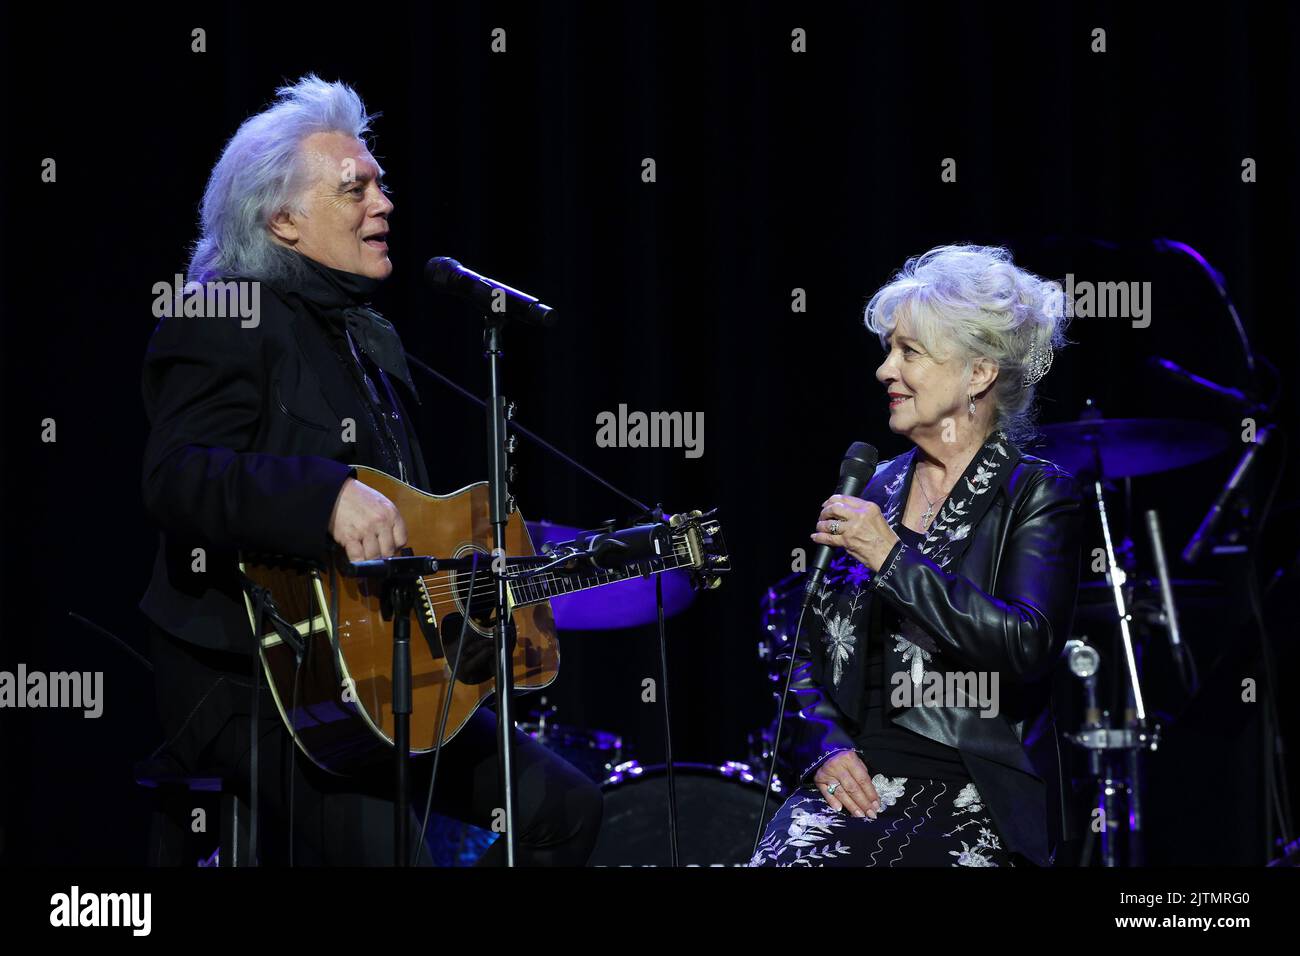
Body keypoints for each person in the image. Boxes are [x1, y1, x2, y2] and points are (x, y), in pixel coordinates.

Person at [139, 74, 602, 866]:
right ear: (282, 220)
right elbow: (178, 476)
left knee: (566, 810)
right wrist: (322, 498)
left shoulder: (357, 338)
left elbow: (399, 528)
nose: (384, 204)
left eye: (380, 184)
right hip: (254, 681)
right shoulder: (222, 313)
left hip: (373, 675)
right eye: (356, 189)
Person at [750, 244, 1082, 867]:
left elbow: (1026, 644)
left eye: (910, 352)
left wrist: (892, 556)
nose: (884, 371)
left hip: (974, 782)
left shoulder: (1036, 492)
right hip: (855, 781)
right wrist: (823, 745)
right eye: (888, 350)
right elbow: (802, 647)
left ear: (978, 374)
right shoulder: (877, 486)